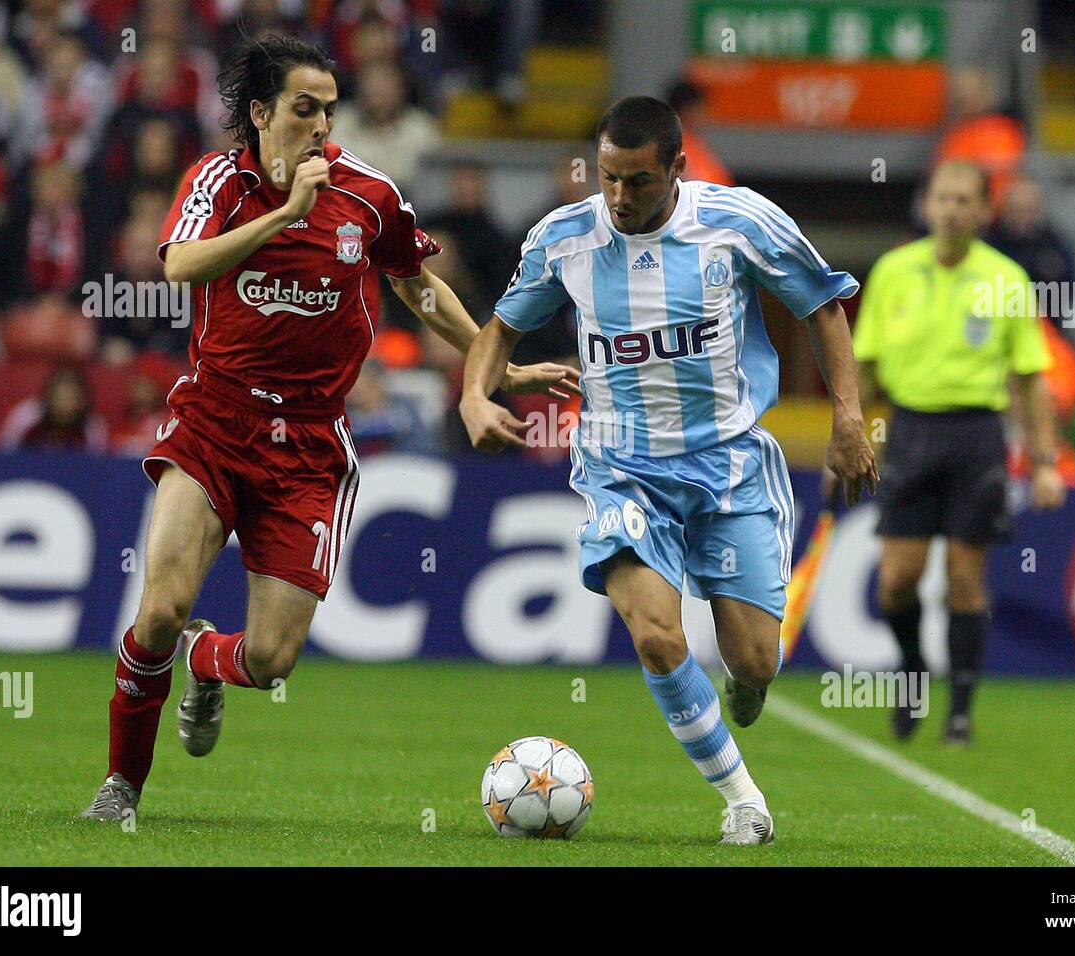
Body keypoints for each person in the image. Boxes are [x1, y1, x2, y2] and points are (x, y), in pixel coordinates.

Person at [80, 33, 577, 822]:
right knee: (159, 610)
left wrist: (496, 364)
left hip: (309, 446)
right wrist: (284, 216)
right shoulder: (220, 180)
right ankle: (120, 789)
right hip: (214, 422)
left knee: (272, 659)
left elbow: (419, 287)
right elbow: (179, 267)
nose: (320, 126)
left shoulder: (368, 194)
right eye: (304, 109)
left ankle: (206, 664)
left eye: (330, 111)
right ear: (261, 112)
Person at [459, 97, 876, 846]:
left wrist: (847, 416)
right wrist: (473, 396)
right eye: (609, 178)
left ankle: (746, 684)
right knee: (656, 635)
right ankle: (743, 798)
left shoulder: (741, 222)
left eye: (639, 183)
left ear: (677, 168)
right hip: (622, 467)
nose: (619, 198)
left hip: (729, 466)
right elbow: (498, 330)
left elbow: (822, 304)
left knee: (755, 659)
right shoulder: (564, 239)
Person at [853, 160, 1066, 747]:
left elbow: (1030, 378)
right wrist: (846, 436)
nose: (950, 209)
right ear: (928, 205)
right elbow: (864, 368)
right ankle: (914, 670)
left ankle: (962, 711)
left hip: (978, 436)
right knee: (897, 580)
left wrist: (1045, 463)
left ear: (983, 210)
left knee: (964, 582)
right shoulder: (894, 271)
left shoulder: (1007, 279)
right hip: (910, 429)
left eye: (963, 200)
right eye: (941, 198)